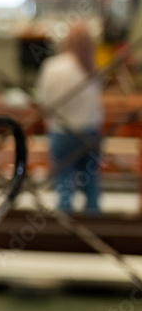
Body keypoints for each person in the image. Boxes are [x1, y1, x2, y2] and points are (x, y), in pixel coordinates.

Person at [36, 23, 104, 214]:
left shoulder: (53, 67)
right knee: (91, 184)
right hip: (89, 134)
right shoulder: (90, 68)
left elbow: (43, 101)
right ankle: (94, 221)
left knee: (64, 184)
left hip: (62, 133)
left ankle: (65, 224)